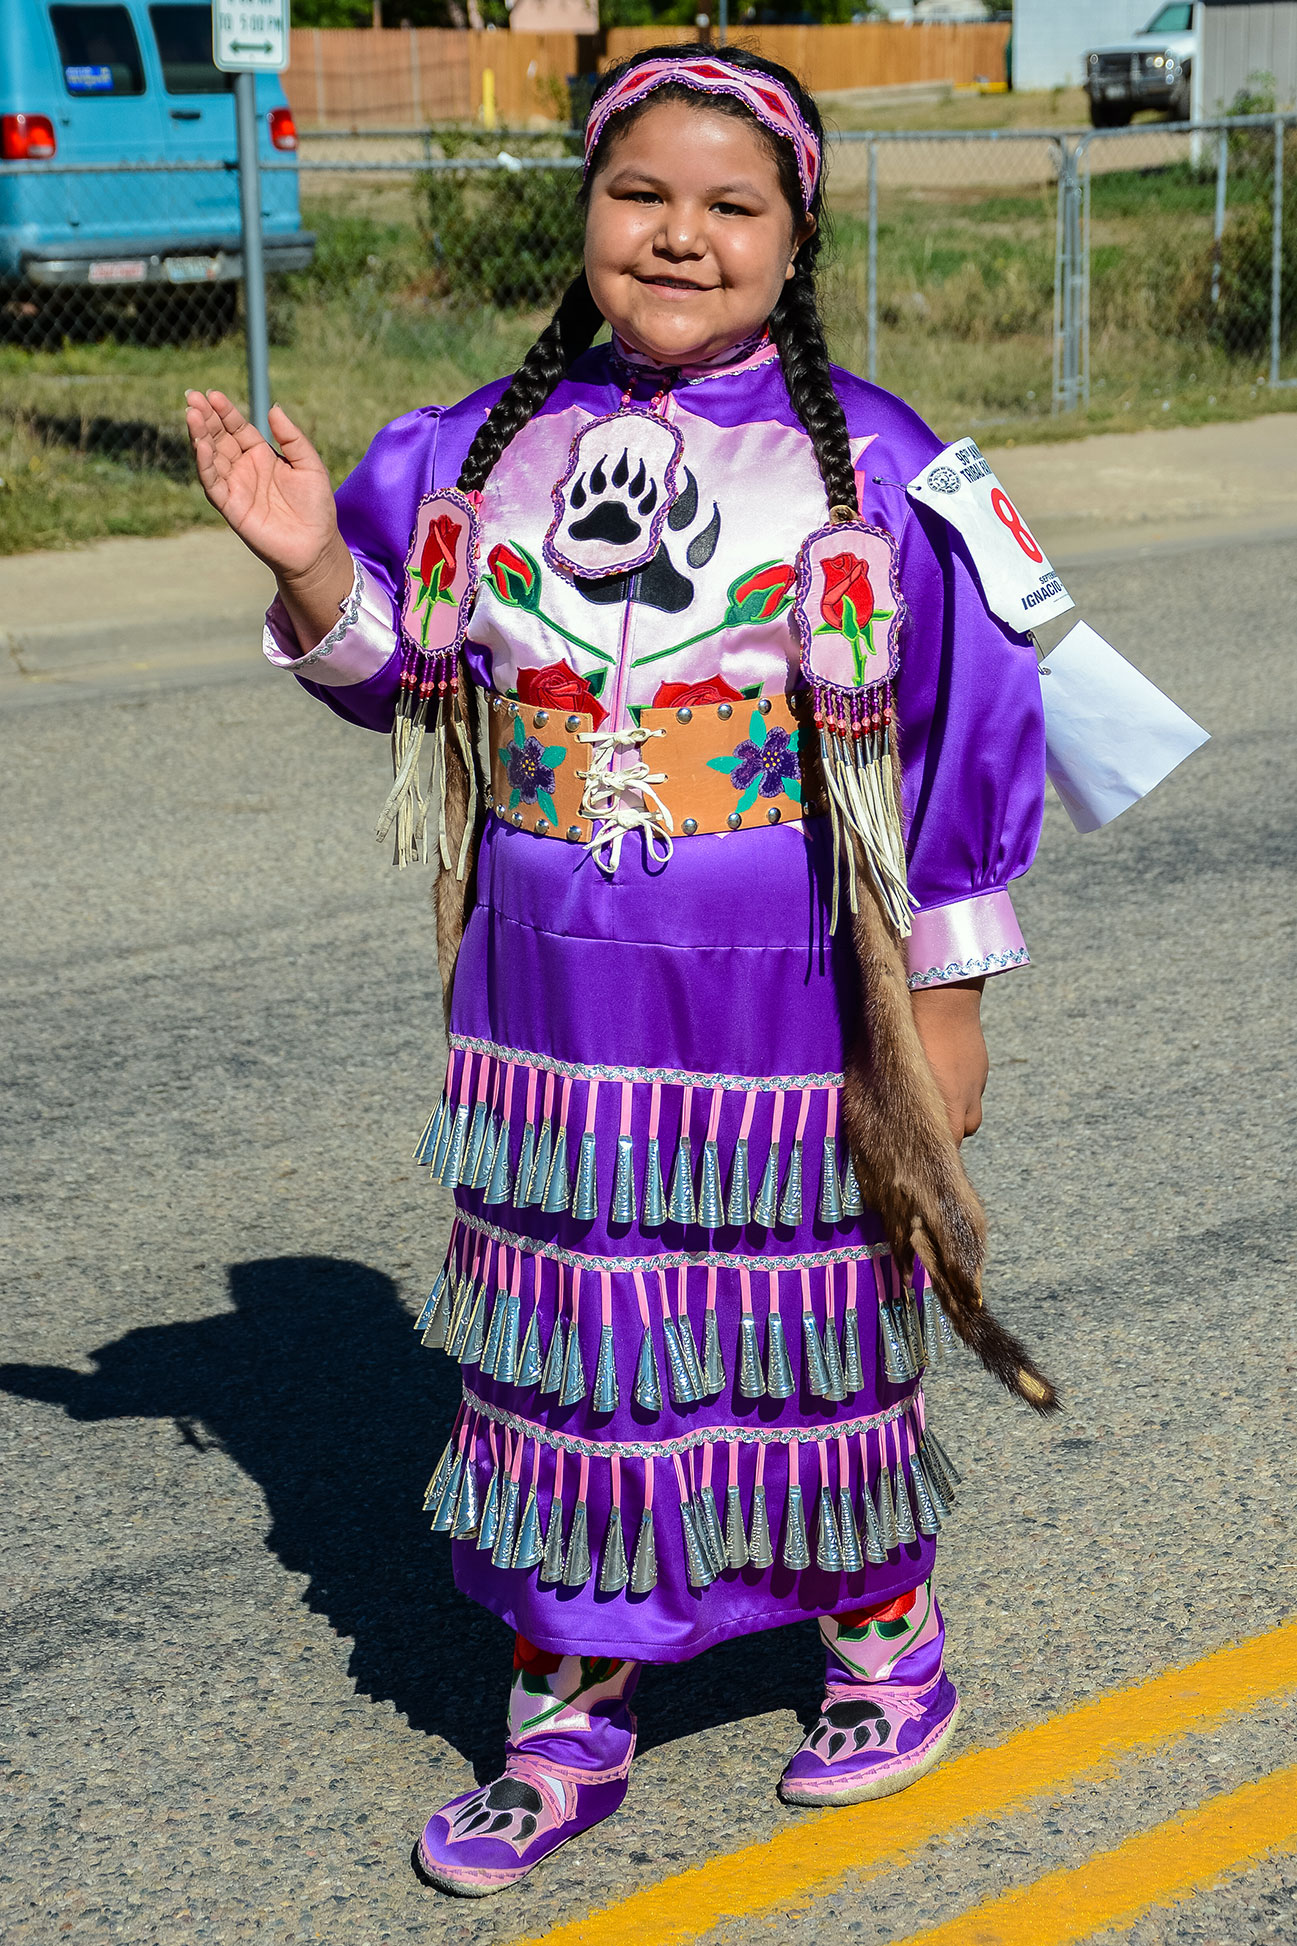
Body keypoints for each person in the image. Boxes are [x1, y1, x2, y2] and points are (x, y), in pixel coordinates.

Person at [186, 44, 1056, 1898]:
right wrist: (301, 574)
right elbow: (396, 689)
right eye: (639, 194)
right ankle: (565, 1714)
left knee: (799, 1312)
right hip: (550, 1011)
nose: (679, 235)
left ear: (794, 235)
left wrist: (945, 998)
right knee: (566, 1343)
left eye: (730, 206)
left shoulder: (881, 466)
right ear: (581, 210)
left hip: (779, 990)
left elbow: (972, 727)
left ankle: (879, 1648)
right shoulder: (465, 452)